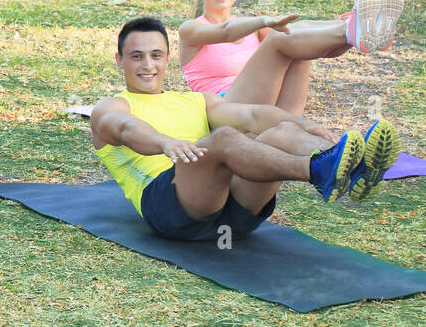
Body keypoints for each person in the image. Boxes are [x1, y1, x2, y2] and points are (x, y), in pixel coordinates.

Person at [91, 17, 401, 242]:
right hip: (170, 210)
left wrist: (306, 125)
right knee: (225, 139)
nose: (148, 65)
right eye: (136, 56)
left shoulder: (197, 100)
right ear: (120, 60)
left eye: (155, 55)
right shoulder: (112, 106)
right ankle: (318, 171)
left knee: (280, 130)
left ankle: (354, 164)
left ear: (167, 59)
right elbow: (124, 128)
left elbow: (253, 115)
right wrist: (165, 143)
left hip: (234, 219)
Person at [177, 0, 405, 114]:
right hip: (225, 112)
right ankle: (350, 31)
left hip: (272, 109)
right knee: (280, 37)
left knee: (292, 38)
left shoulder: (252, 27)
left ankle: (356, 31)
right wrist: (264, 21)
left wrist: (342, 22)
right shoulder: (191, 29)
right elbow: (225, 32)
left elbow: (301, 36)